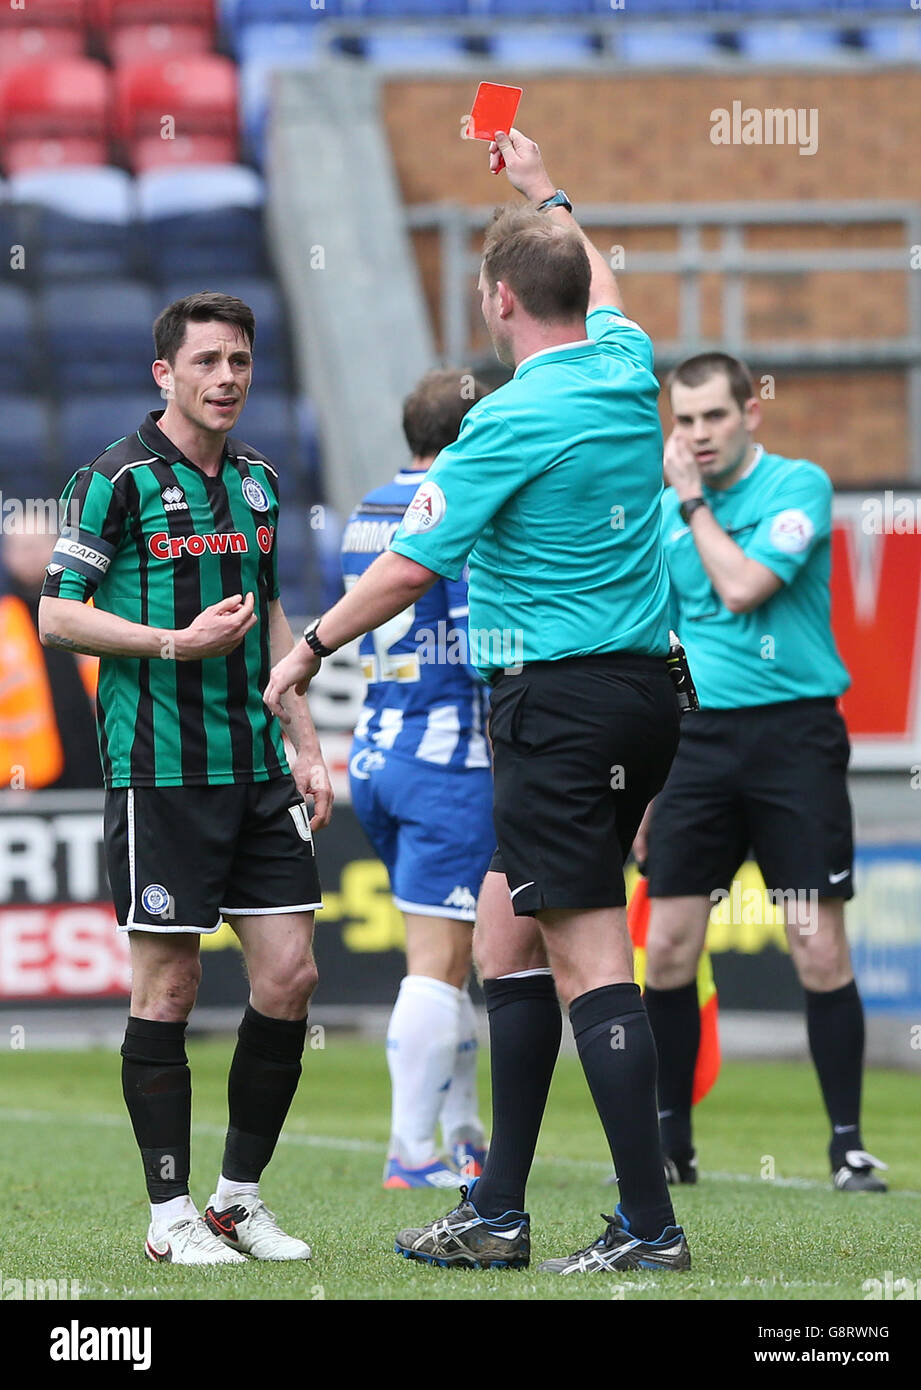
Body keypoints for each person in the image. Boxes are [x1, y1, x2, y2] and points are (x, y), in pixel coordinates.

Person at [266, 128, 691, 1275]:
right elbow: (598, 283)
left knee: (590, 957)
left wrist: (308, 643)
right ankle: (496, 1208)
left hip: (557, 704)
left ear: (499, 299)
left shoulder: (500, 424)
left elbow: (408, 568)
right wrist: (547, 188)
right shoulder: (624, 366)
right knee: (503, 932)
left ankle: (650, 1225)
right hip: (646, 693)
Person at [38, 290, 334, 1265]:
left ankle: (236, 1201)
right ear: (164, 374)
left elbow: (276, 617)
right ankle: (167, 1217)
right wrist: (173, 641)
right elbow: (58, 616)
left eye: (240, 361)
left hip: (255, 765)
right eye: (206, 361)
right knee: (168, 986)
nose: (226, 378)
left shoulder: (258, 482)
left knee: (290, 974)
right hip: (158, 770)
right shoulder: (112, 481)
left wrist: (305, 737)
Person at [637, 352, 887, 1194]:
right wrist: (665, 742)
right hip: (697, 745)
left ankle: (847, 1147)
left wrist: (692, 504)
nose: (697, 434)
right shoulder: (661, 509)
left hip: (792, 740)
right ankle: (672, 1145)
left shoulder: (795, 486)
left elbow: (742, 587)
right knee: (666, 947)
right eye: (684, 419)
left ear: (752, 414)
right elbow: (668, 638)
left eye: (713, 416)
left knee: (815, 946)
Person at [341, 368, 495, 1190]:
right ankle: (412, 1153)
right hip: (449, 763)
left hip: (377, 752)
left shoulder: (367, 507)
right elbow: (481, 648)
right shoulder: (462, 503)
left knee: (451, 955)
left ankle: (464, 1134)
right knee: (438, 965)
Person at [0, 517, 100, 790]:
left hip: (102, 764)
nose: (28, 555)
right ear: (7, 556)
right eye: (19, 547)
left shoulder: (90, 610)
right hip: (34, 780)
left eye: (35, 545)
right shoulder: (3, 624)